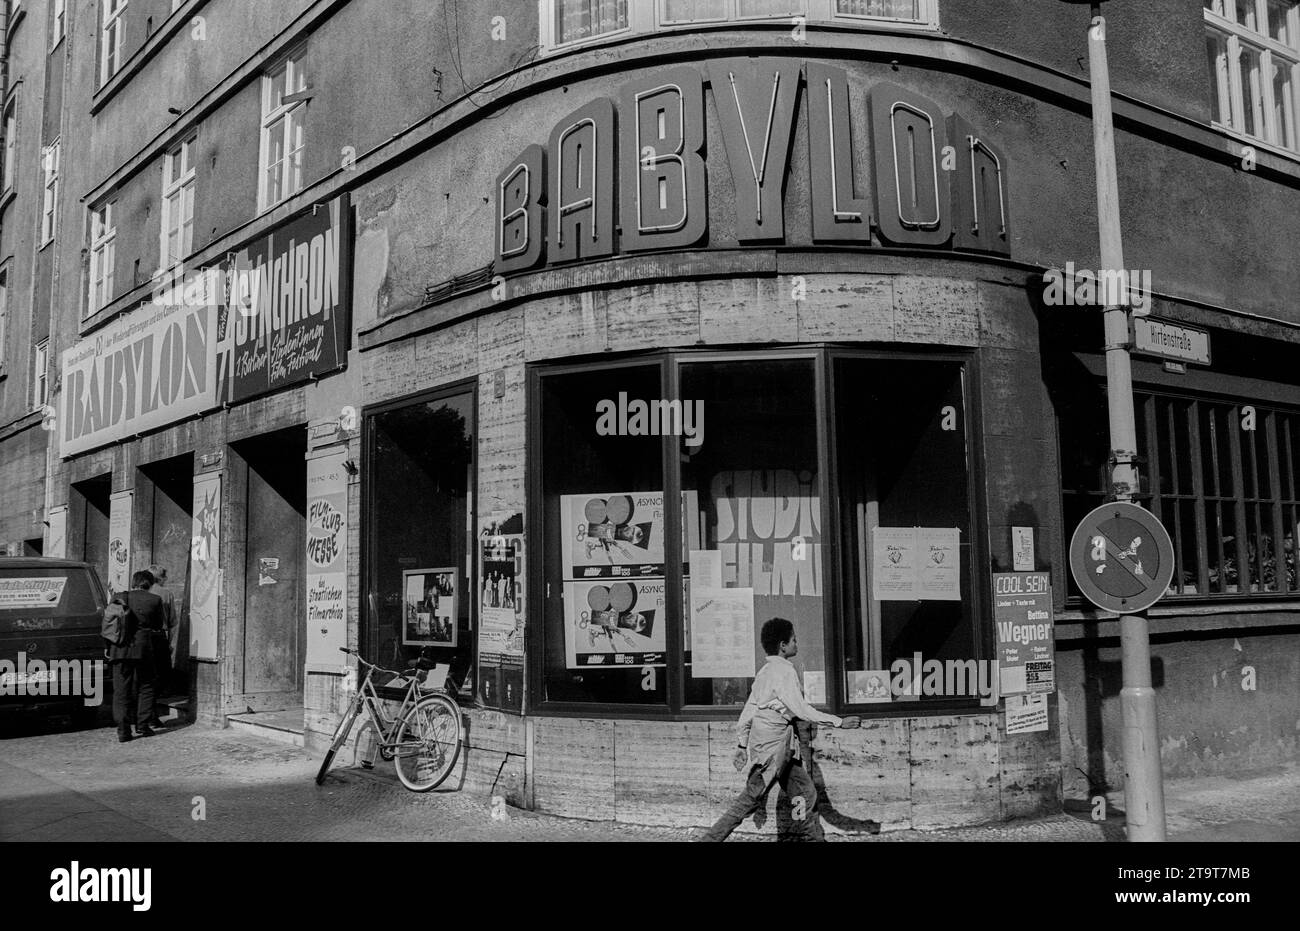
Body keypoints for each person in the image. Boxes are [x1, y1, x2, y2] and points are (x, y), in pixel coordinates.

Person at [699, 617, 859, 842]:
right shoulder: (784, 672)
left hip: (779, 749)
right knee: (750, 799)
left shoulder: (764, 672)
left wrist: (742, 745)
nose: (797, 643)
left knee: (804, 793)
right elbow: (802, 710)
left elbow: (747, 714)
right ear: (783, 645)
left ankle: (811, 837)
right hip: (775, 751)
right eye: (794, 639)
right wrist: (839, 722)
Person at [107, 570, 167, 741]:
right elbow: (157, 624)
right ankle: (143, 725)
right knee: (146, 685)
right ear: (150, 583)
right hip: (143, 649)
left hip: (119, 649)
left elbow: (109, 623)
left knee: (121, 691)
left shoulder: (118, 597)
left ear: (133, 582)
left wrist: (108, 647)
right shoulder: (154, 600)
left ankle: (123, 731)